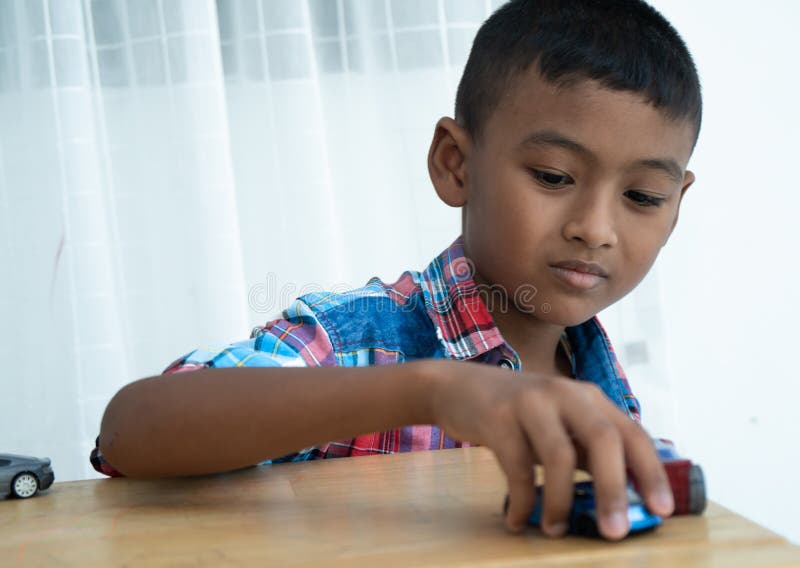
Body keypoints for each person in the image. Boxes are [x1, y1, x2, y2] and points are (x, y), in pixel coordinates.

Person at [91, 0, 701, 542]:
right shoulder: (359, 339)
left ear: (676, 208)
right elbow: (130, 431)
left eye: (643, 196)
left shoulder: (602, 383)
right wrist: (432, 391)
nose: (595, 228)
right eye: (552, 177)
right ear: (455, 164)